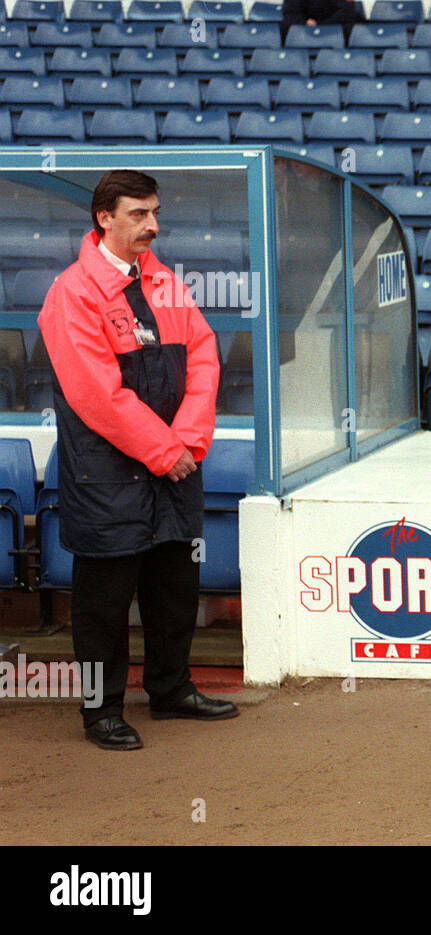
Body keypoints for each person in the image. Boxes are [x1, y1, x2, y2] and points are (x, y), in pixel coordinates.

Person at [37, 170, 233, 751]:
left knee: (174, 588)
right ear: (105, 218)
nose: (152, 225)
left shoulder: (164, 281)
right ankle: (101, 711)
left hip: (174, 467)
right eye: (138, 214)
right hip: (107, 475)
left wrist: (187, 442)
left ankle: (171, 691)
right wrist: (166, 451)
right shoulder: (72, 292)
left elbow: (204, 356)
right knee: (103, 603)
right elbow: (98, 395)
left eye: (155, 213)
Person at [281, 0, 364, 37]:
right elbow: (290, 13)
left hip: (335, 30)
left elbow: (347, 12)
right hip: (304, 32)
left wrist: (320, 25)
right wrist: (305, 22)